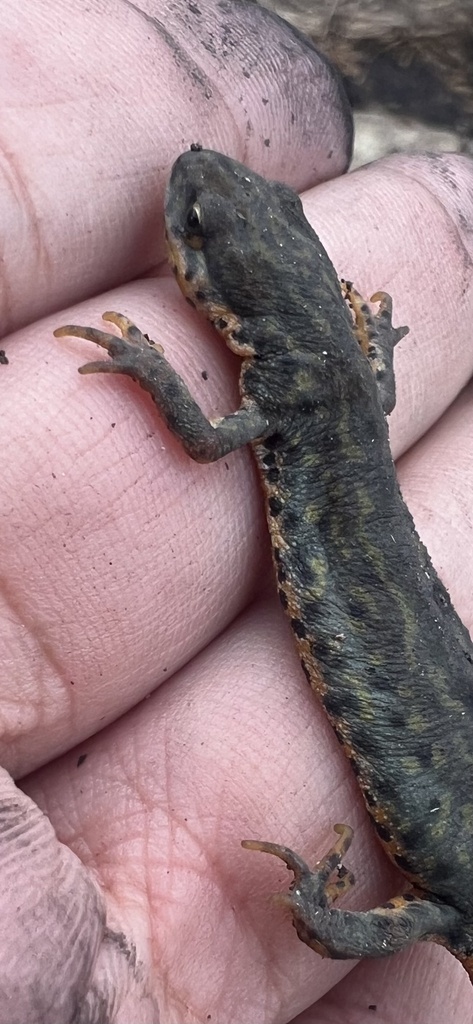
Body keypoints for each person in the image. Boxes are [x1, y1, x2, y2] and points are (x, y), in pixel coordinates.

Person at [2, 1, 473, 1021]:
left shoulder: (300, 384)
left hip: (445, 856)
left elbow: (207, 437)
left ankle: (317, 917)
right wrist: (377, 345)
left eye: (196, 235)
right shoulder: (333, 378)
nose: (188, 194)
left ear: (231, 304)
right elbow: (369, 392)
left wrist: (149, 366)